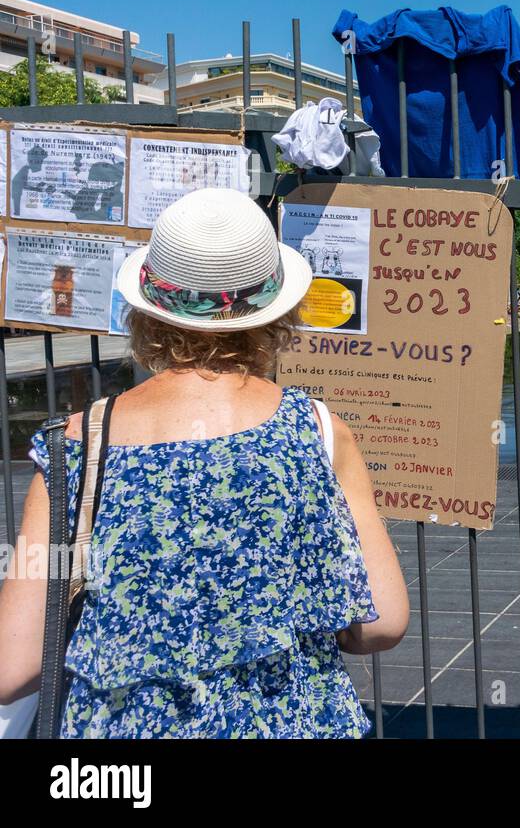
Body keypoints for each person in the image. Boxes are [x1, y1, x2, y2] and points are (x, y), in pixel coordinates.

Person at [0, 189, 408, 737]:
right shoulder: (316, 432)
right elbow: (381, 624)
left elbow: (15, 663)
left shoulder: (76, 445)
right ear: (276, 312)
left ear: (148, 312)